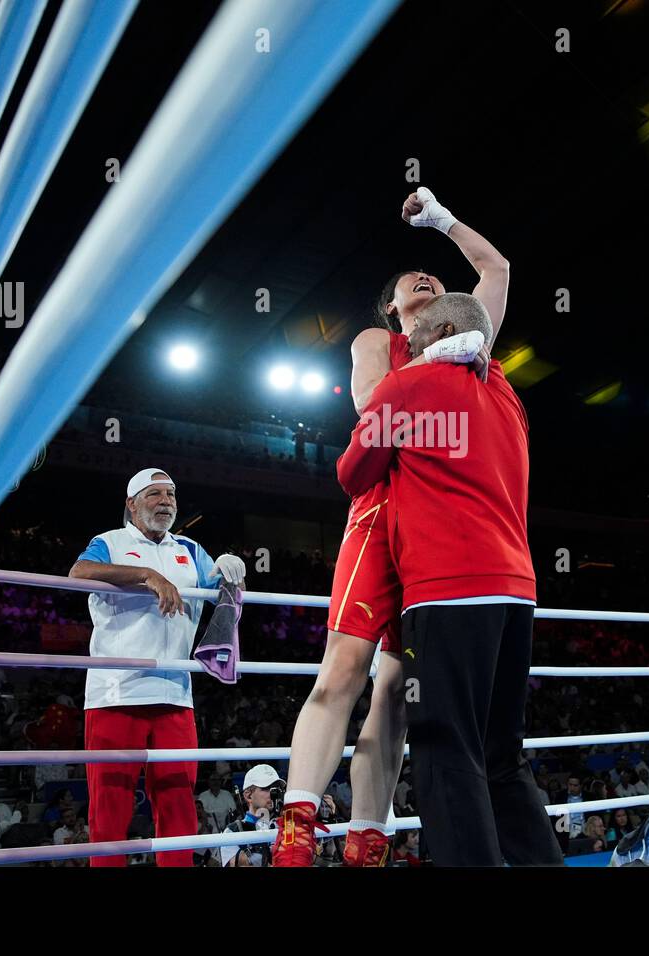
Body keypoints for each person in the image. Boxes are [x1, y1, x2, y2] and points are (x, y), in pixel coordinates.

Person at [274, 186, 505, 867]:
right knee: (343, 669)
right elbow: (377, 407)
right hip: (383, 509)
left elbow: (496, 272)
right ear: (395, 310)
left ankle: (368, 835)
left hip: (441, 529)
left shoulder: (469, 331)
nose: (425, 278)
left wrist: (444, 222)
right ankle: (296, 822)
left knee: (400, 692)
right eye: (411, 281)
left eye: (431, 275)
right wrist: (440, 360)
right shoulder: (382, 341)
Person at [336, 291, 562, 867]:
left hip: (447, 588)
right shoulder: (506, 394)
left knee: (444, 751)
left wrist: (403, 381)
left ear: (435, 336)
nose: (403, 348)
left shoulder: (408, 384)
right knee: (501, 757)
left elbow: (352, 472)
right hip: (516, 591)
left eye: (414, 342)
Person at [70, 467, 246, 866]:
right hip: (116, 693)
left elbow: (222, 589)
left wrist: (229, 568)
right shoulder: (109, 542)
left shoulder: (190, 549)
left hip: (175, 695)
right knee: (109, 812)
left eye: (170, 494)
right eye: (154, 494)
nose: (165, 501)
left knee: (179, 808)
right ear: (131, 504)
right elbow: (78, 573)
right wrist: (147, 575)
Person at [221, 764, 285, 867]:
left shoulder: (286, 825)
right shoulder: (232, 831)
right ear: (248, 795)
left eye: (276, 788)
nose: (274, 793)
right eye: (266, 788)